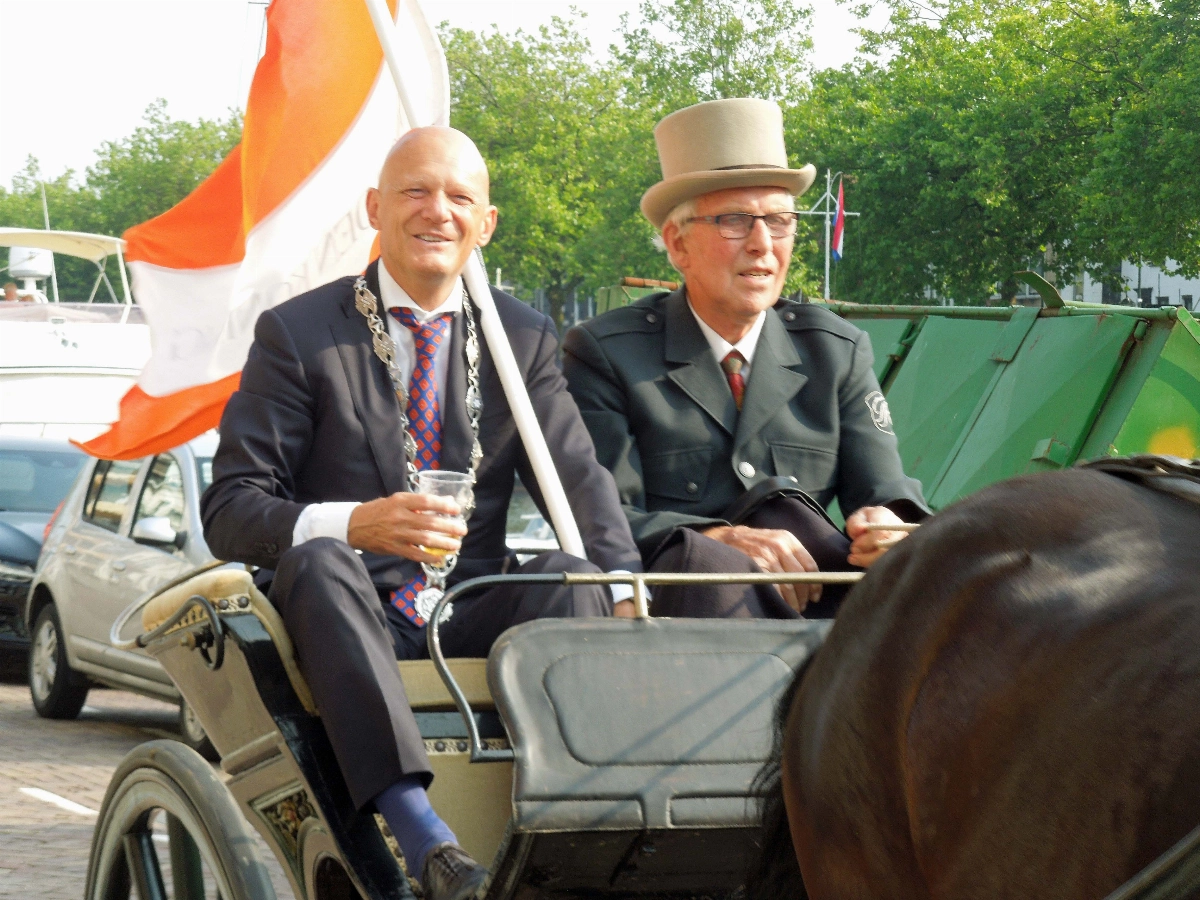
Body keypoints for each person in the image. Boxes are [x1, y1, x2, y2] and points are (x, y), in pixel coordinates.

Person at [202, 126, 642, 900]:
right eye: (415, 191)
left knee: (577, 579)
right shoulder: (300, 334)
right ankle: (422, 836)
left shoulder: (524, 339)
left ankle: (572, 828)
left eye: (459, 196)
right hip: (342, 611)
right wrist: (353, 522)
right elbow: (232, 507)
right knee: (319, 558)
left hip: (464, 605)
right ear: (376, 207)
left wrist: (627, 584)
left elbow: (577, 480)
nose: (437, 211)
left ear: (487, 222)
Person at [563, 98, 929, 620]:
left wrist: (888, 528)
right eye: (735, 221)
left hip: (817, 633)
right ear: (677, 243)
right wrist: (717, 540)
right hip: (682, 637)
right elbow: (603, 519)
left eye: (779, 222)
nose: (763, 245)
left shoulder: (836, 352)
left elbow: (885, 491)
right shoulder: (607, 355)